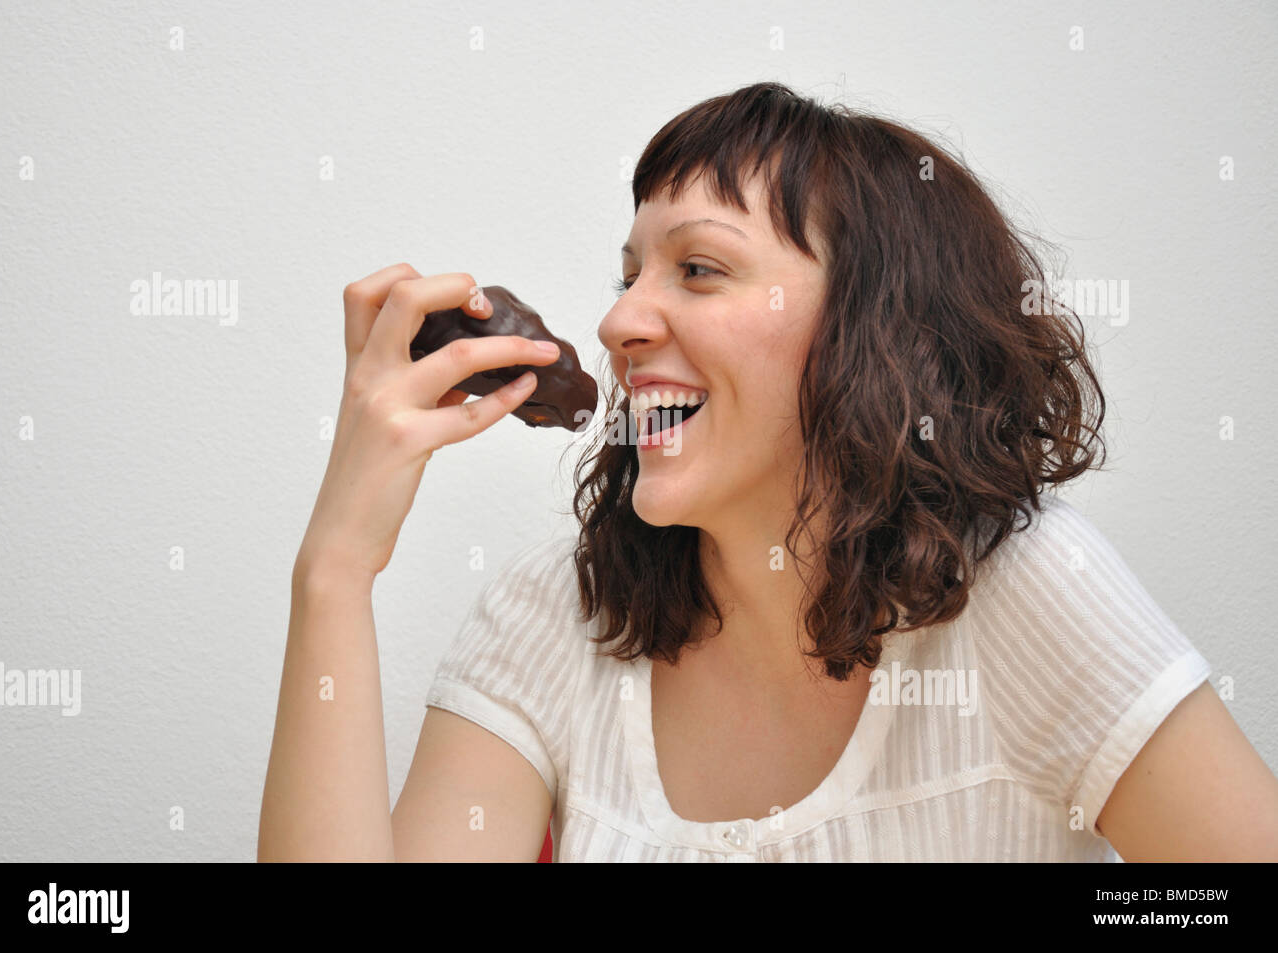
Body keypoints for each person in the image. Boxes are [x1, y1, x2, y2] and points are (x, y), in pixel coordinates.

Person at [258, 82, 1278, 862]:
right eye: (627, 275)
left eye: (697, 268)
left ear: (867, 331)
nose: (618, 321)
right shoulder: (550, 620)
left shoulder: (1026, 590)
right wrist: (337, 566)